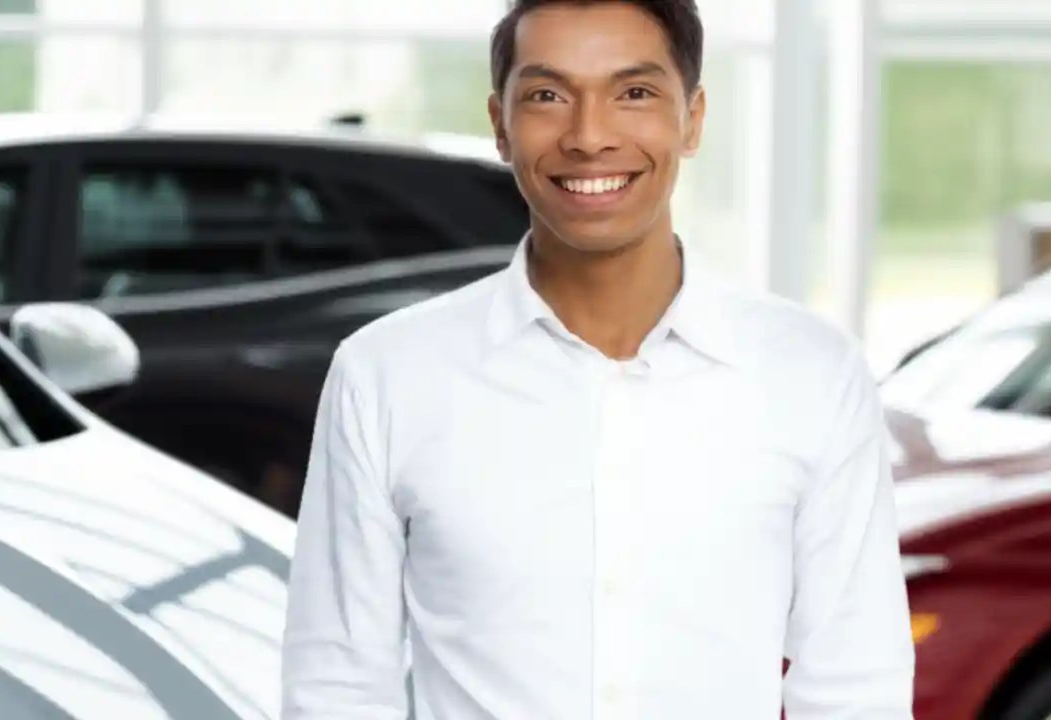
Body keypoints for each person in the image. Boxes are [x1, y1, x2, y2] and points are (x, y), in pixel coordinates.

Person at [280, 1, 915, 718]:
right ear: (499, 124)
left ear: (694, 118)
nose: (588, 137)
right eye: (547, 96)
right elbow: (336, 687)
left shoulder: (811, 374)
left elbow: (855, 686)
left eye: (634, 93)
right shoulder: (385, 374)